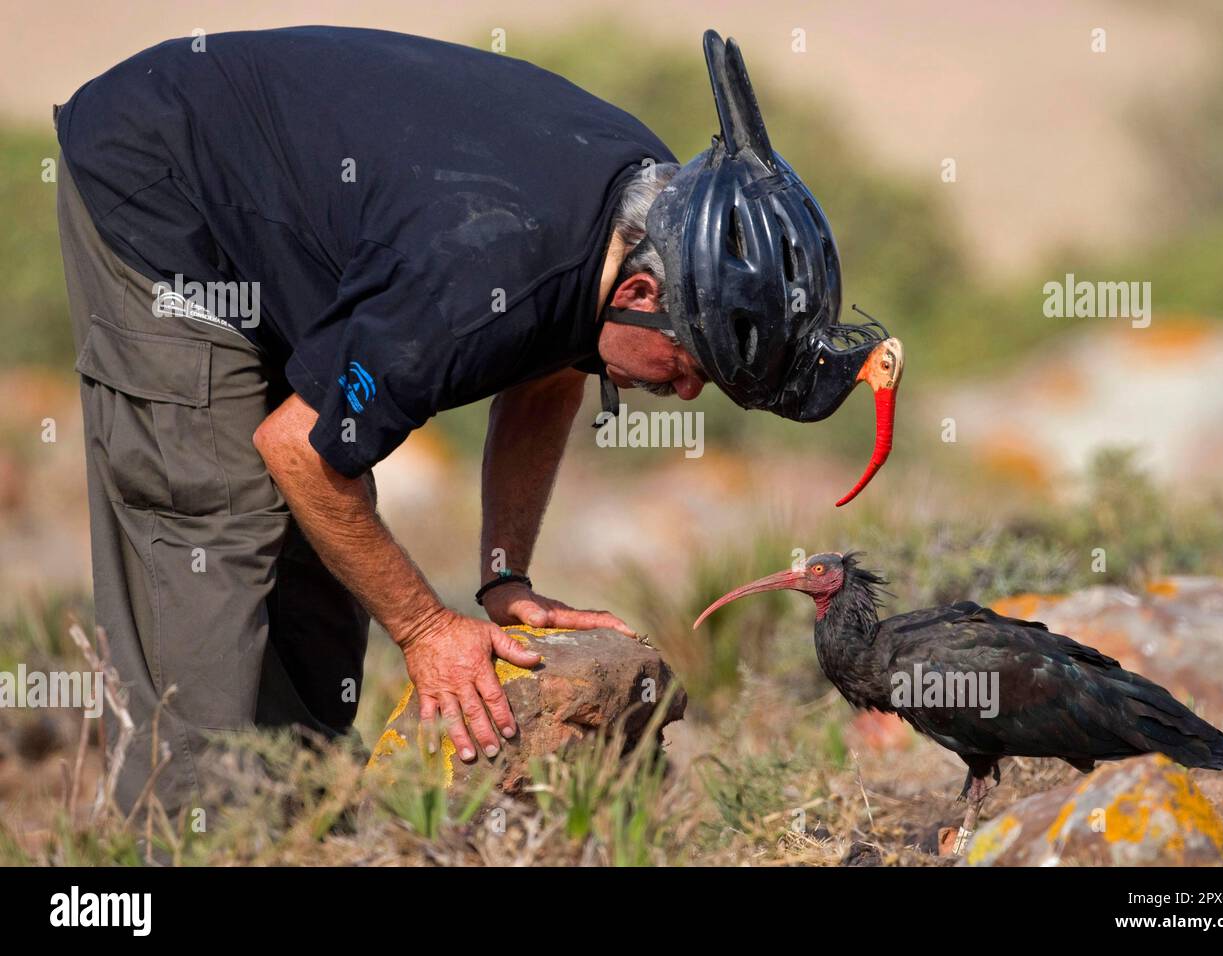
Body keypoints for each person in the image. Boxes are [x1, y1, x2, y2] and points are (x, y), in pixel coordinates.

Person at [54, 26, 901, 813]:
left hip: (292, 219)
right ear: (641, 294)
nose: (685, 398)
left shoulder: (643, 217)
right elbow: (303, 455)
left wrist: (503, 578)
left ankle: (290, 821)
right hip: (163, 175)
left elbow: (548, 371)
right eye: (692, 369)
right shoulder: (472, 280)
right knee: (220, 514)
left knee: (326, 541)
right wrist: (425, 630)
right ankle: (184, 840)